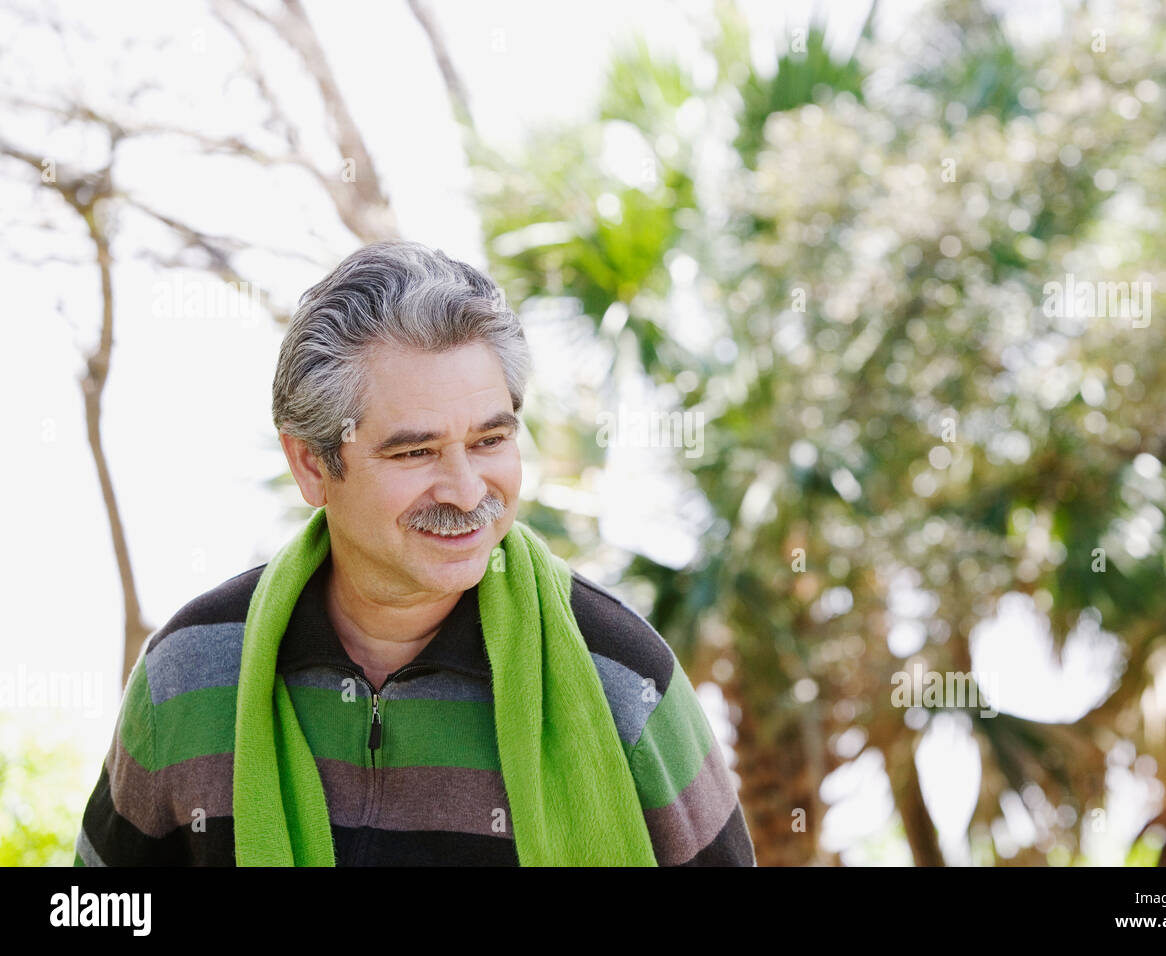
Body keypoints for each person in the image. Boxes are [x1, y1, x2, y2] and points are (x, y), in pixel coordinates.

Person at [73, 240, 757, 867]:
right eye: (415, 452)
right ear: (312, 464)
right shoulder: (191, 676)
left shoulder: (621, 677)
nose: (465, 491)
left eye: (490, 441)